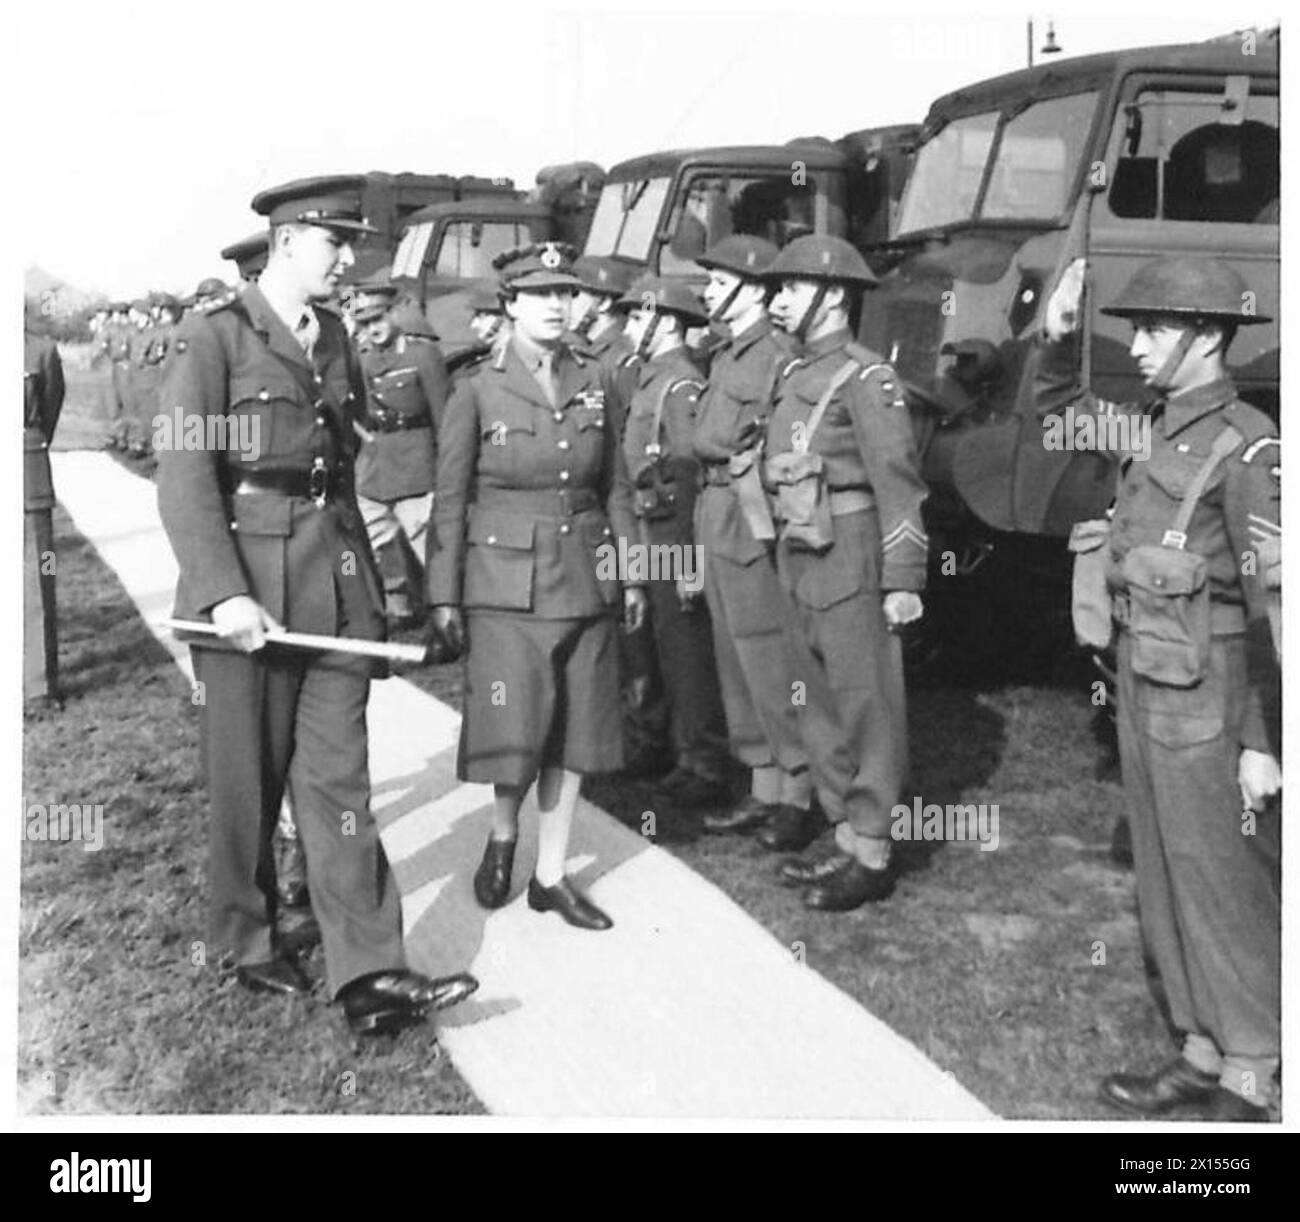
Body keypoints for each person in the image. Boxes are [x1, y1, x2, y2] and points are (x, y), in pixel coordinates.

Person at [156, 176, 477, 1036]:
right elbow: (184, 475)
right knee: (248, 780)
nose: (347, 261)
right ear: (290, 240)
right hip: (250, 591)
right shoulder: (215, 336)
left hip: (332, 585)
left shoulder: (333, 335)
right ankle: (245, 937)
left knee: (340, 781)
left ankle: (370, 973)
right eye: (336, 244)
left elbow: (339, 460)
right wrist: (222, 591)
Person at [1040, 256, 1280, 1122]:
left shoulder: (1250, 448)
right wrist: (1057, 337)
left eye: (1153, 331)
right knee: (1164, 872)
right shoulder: (1150, 429)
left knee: (1221, 876)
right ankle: (1200, 1046)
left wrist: (1263, 741)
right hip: (1144, 682)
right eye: (1133, 329)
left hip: (1213, 694)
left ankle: (1254, 1066)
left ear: (1210, 337)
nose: (1135, 346)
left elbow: (1275, 614)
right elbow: (1058, 417)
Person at [428, 241, 645, 931]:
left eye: (565, 292)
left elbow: (616, 485)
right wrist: (442, 595)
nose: (556, 305)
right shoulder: (475, 387)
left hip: (585, 575)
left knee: (575, 731)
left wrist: (632, 572)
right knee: (513, 725)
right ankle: (501, 834)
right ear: (511, 304)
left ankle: (551, 877)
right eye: (540, 294)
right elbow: (449, 497)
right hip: (505, 586)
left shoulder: (596, 377)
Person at [759, 235, 928, 911]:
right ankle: (843, 834)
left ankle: (875, 847)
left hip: (852, 552)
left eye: (791, 289)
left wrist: (904, 580)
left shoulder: (867, 379)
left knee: (868, 705)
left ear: (832, 297)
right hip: (801, 553)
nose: (778, 300)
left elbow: (900, 486)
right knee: (817, 702)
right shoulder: (794, 374)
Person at [691, 235, 815, 842]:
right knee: (733, 656)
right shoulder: (727, 353)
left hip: (749, 507)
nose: (709, 292)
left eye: (718, 282)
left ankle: (797, 788)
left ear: (754, 289)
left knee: (768, 653)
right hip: (714, 504)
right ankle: (762, 784)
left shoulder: (775, 354)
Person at [618, 275, 731, 808]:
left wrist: (689, 563)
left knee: (687, 649)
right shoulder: (650, 379)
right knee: (661, 642)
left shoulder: (680, 384)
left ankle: (705, 761)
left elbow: (688, 474)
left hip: (672, 527)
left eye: (638, 318)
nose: (629, 326)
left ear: (667, 324)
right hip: (648, 525)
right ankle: (678, 751)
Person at [570, 257, 673, 780]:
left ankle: (652, 736)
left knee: (645, 629)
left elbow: (641, 440)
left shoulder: (623, 361)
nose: (568, 305)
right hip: (611, 510)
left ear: (603, 303)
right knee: (624, 623)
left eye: (579, 295)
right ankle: (637, 727)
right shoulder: (597, 354)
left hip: (633, 514)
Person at [351, 277, 450, 628]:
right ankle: (401, 607)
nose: (372, 329)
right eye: (364, 323)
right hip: (375, 468)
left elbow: (444, 420)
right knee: (382, 545)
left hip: (416, 467)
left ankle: (448, 618)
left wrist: (444, 474)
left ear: (393, 313)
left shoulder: (421, 355)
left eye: (378, 319)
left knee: (430, 550)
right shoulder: (360, 360)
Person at [24, 321, 65, 714]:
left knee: (39, 577)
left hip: (26, 469)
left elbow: (50, 405)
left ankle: (38, 686)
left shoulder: (41, 349)